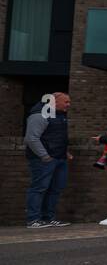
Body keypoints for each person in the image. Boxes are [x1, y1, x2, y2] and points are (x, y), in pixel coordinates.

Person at [25, 91, 72, 229]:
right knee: (39, 188)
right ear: (54, 101)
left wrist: (65, 152)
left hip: (59, 158)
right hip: (43, 160)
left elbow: (55, 136)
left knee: (55, 189)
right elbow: (31, 139)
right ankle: (33, 219)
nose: (69, 105)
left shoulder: (59, 115)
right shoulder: (39, 115)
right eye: (66, 102)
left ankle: (49, 218)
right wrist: (45, 156)